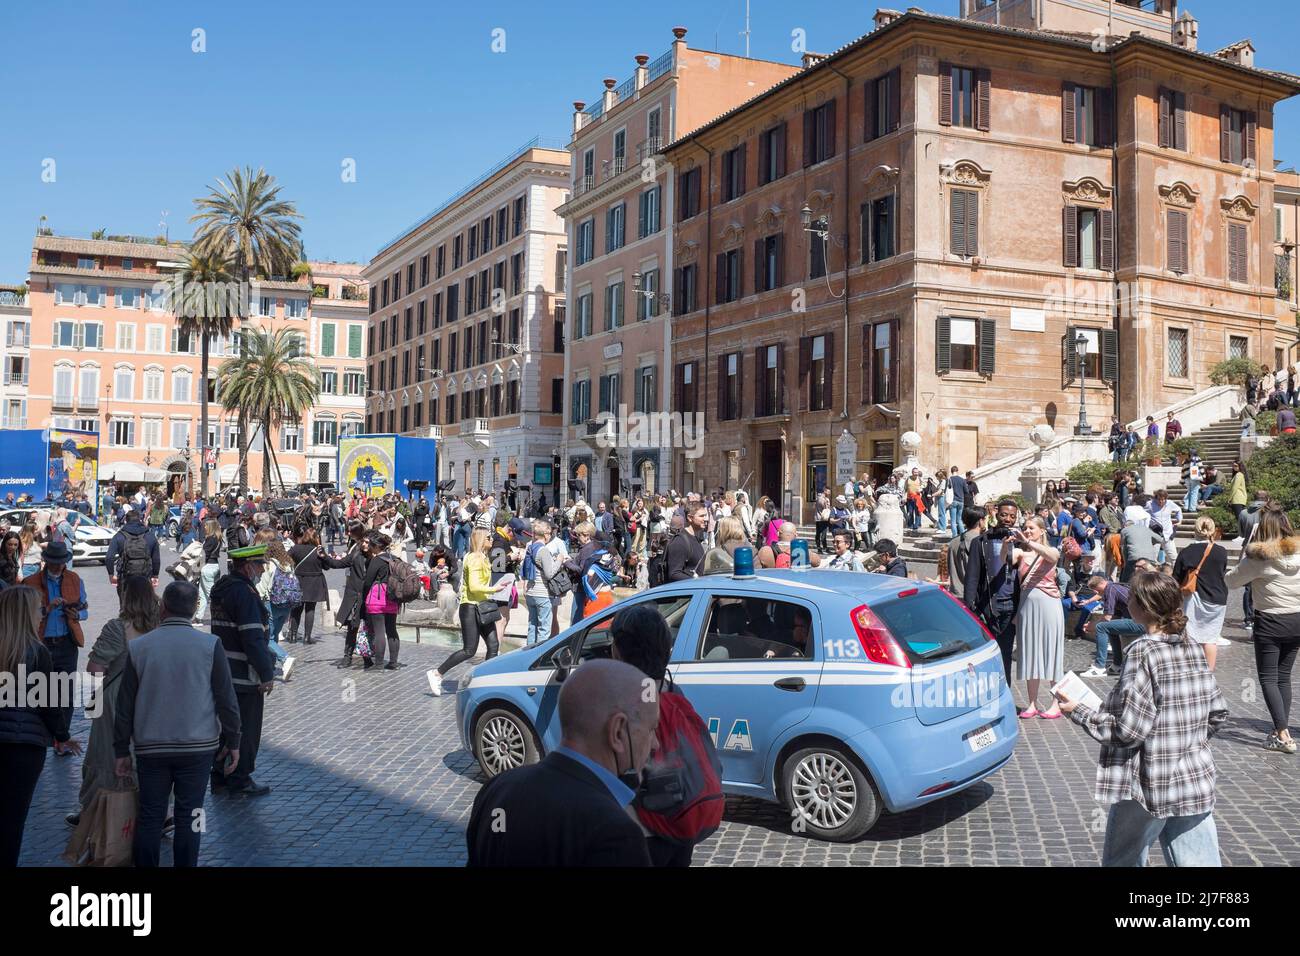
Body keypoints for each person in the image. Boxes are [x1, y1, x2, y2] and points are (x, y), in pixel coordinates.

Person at [1056, 571, 1228, 867]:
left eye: (1132, 597)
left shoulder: (1143, 651)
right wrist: (1185, 739)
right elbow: (1216, 712)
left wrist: (1079, 712)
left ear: (1143, 606)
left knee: (1124, 859)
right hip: (1194, 776)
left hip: (1149, 781)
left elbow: (1128, 729)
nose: (1128, 601)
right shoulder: (1192, 646)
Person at [466, 658, 657, 867]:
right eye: (651, 729)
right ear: (617, 731)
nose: (655, 743)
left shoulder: (496, 790)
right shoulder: (617, 834)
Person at [112, 581, 241, 868]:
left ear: (163, 608)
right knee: (191, 815)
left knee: (150, 815)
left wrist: (121, 749)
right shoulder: (210, 645)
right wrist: (234, 741)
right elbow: (226, 699)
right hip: (197, 745)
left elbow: (125, 705)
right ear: (195, 608)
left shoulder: (139, 647)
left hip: (151, 746)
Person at [67, 577, 159, 828]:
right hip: (155, 695)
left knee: (106, 753)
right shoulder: (161, 625)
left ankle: (97, 809)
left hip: (118, 698)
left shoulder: (117, 628)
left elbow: (95, 669)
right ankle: (155, 810)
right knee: (150, 753)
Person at [0, 587, 81, 866]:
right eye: (37, 610)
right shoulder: (37, 652)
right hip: (25, 746)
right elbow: (49, 704)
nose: (40, 616)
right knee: (12, 821)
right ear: (26, 615)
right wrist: (63, 736)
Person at [1225, 507, 1300, 754]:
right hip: (1296, 619)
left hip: (1270, 621)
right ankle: (1281, 728)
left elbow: (1231, 581)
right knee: (1283, 677)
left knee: (1268, 677)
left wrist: (1242, 560)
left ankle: (1282, 734)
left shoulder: (1258, 559)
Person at [208, 544, 276, 796]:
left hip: (224, 671)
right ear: (248, 566)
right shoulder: (245, 594)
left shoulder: (221, 589)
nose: (261, 570)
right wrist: (267, 672)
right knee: (246, 728)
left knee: (227, 726)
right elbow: (252, 638)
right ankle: (240, 777)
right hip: (245, 675)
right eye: (259, 566)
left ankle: (220, 775)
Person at [21, 540, 87, 755]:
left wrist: (77, 614)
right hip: (41, 643)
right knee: (40, 691)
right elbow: (24, 615)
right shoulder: (31, 582)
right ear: (46, 561)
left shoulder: (74, 579)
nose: (58, 566)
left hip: (67, 642)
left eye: (61, 562)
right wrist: (47, 609)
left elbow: (84, 610)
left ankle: (62, 739)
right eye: (54, 562)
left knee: (65, 694)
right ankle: (41, 734)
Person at [429, 529, 503, 697]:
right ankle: (437, 673)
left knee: (493, 645)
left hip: (482, 606)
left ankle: (486, 682)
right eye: (489, 537)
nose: (492, 539)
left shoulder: (481, 557)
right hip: (470, 607)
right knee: (469, 649)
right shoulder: (475, 559)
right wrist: (495, 589)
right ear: (482, 540)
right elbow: (475, 587)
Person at [964, 498, 1022, 680]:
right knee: (986, 654)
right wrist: (969, 607)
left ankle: (1004, 692)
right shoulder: (980, 542)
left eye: (1012, 516)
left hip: (1011, 606)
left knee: (1005, 654)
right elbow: (972, 578)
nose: (1008, 519)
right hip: (987, 606)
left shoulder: (1020, 543)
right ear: (996, 514)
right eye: (1004, 515)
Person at [1174, 517, 1230, 672]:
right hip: (1218, 597)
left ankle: (1191, 669)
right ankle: (1208, 673)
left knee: (1191, 636)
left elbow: (1176, 577)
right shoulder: (1221, 551)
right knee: (1211, 639)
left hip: (1195, 597)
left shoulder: (1187, 551)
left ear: (1196, 530)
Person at [1083, 576, 1144, 677]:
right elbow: (1113, 618)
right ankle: (1117, 666)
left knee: (1101, 627)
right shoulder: (1115, 587)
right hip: (1141, 621)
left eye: (1096, 590)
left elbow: (1107, 617)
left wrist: (1093, 625)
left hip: (1141, 623)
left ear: (1097, 587)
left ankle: (1099, 667)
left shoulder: (1110, 589)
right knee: (1110, 628)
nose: (1096, 593)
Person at [360, 531, 403, 670]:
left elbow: (367, 581)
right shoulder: (395, 558)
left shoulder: (376, 560)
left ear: (376, 546)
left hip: (378, 597)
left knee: (379, 631)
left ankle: (378, 664)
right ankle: (394, 662)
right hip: (393, 597)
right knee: (392, 630)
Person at [105, 507, 160, 604]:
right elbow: (156, 559)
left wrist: (111, 574)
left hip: (125, 577)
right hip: (145, 577)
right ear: (140, 519)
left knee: (125, 606)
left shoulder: (119, 536)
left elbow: (109, 557)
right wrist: (155, 575)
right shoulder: (150, 536)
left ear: (126, 520)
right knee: (144, 605)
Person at [286, 526, 327, 645]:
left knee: (296, 609)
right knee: (310, 609)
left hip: (298, 580)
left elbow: (286, 560)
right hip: (314, 582)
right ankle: (307, 637)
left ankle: (293, 635)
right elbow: (326, 566)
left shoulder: (296, 548)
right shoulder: (318, 550)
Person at [523, 520, 560, 646]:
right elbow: (549, 574)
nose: (550, 536)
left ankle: (528, 654)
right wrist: (559, 560)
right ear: (545, 534)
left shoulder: (530, 548)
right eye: (549, 533)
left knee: (532, 626)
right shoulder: (543, 550)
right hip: (542, 593)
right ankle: (539, 657)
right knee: (544, 628)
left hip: (530, 592)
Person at [947, 507, 986, 602]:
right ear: (981, 521)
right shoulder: (982, 542)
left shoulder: (953, 543)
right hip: (975, 597)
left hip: (956, 596)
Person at [666, 503, 707, 582]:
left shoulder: (696, 538)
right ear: (690, 518)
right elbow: (674, 573)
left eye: (705, 515)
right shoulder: (680, 541)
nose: (705, 519)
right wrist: (697, 581)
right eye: (701, 516)